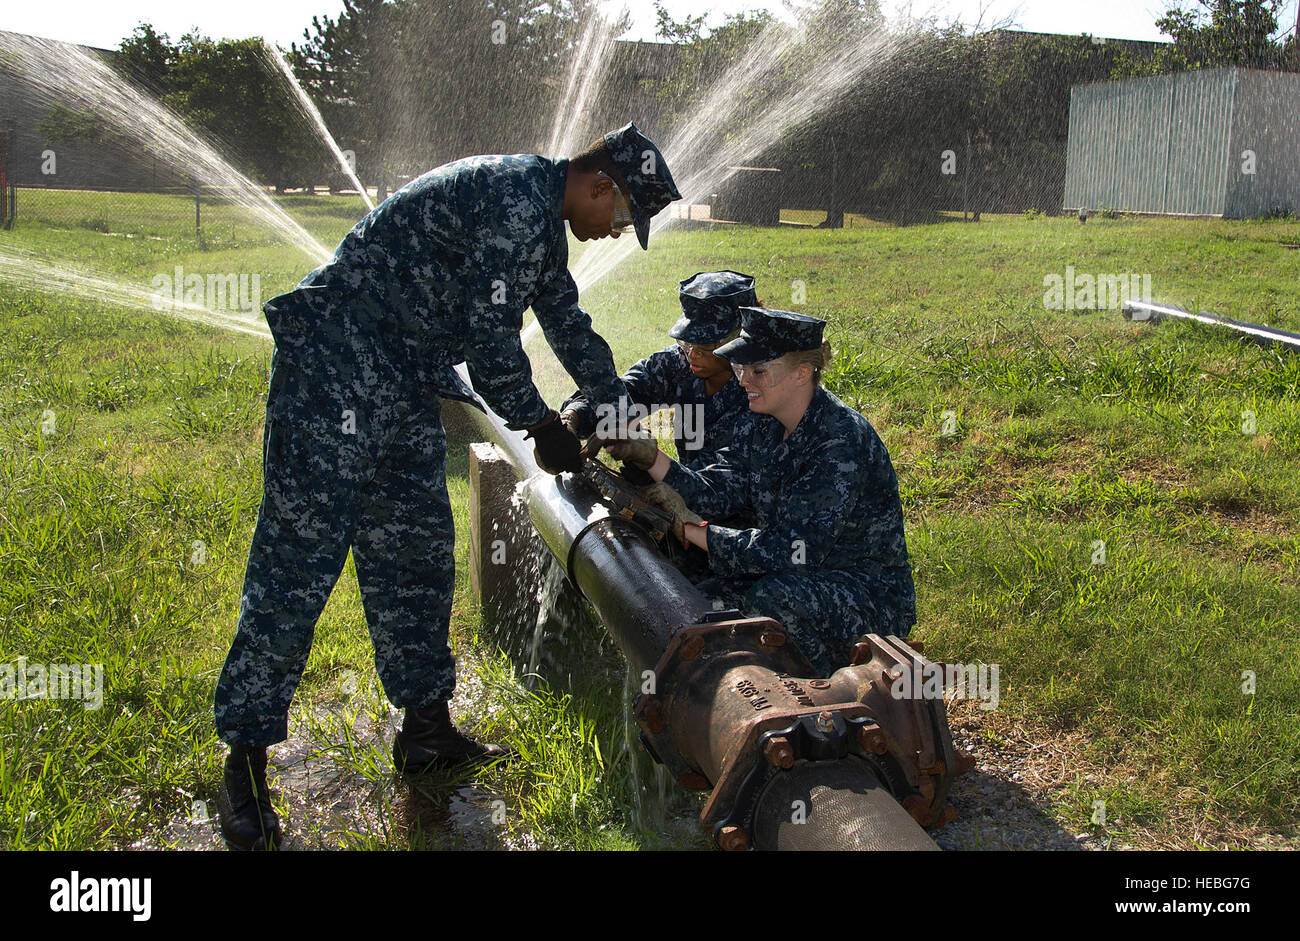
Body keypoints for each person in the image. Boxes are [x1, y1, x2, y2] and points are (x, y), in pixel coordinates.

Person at [213, 123, 681, 850]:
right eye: (620, 217)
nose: (614, 232)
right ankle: (242, 762)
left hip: (402, 379)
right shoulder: (513, 202)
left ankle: (425, 730)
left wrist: (608, 403)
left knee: (415, 551)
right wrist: (538, 424)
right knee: (297, 564)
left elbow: (568, 322)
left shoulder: (542, 224)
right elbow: (493, 340)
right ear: (599, 185)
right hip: (335, 366)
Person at [605, 307, 916, 677]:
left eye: (758, 371)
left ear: (803, 374)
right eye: (741, 369)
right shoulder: (762, 422)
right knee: (692, 599)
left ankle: (817, 697)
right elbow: (723, 489)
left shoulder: (839, 442)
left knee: (772, 599)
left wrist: (693, 531)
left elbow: (793, 552)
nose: (743, 381)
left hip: (866, 594)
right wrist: (653, 460)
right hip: (797, 576)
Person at [558, 270, 757, 470]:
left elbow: (730, 481)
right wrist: (573, 417)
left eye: (705, 345)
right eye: (686, 341)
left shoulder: (762, 390)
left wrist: (656, 465)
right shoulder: (680, 362)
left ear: (738, 338)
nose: (692, 354)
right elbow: (624, 391)